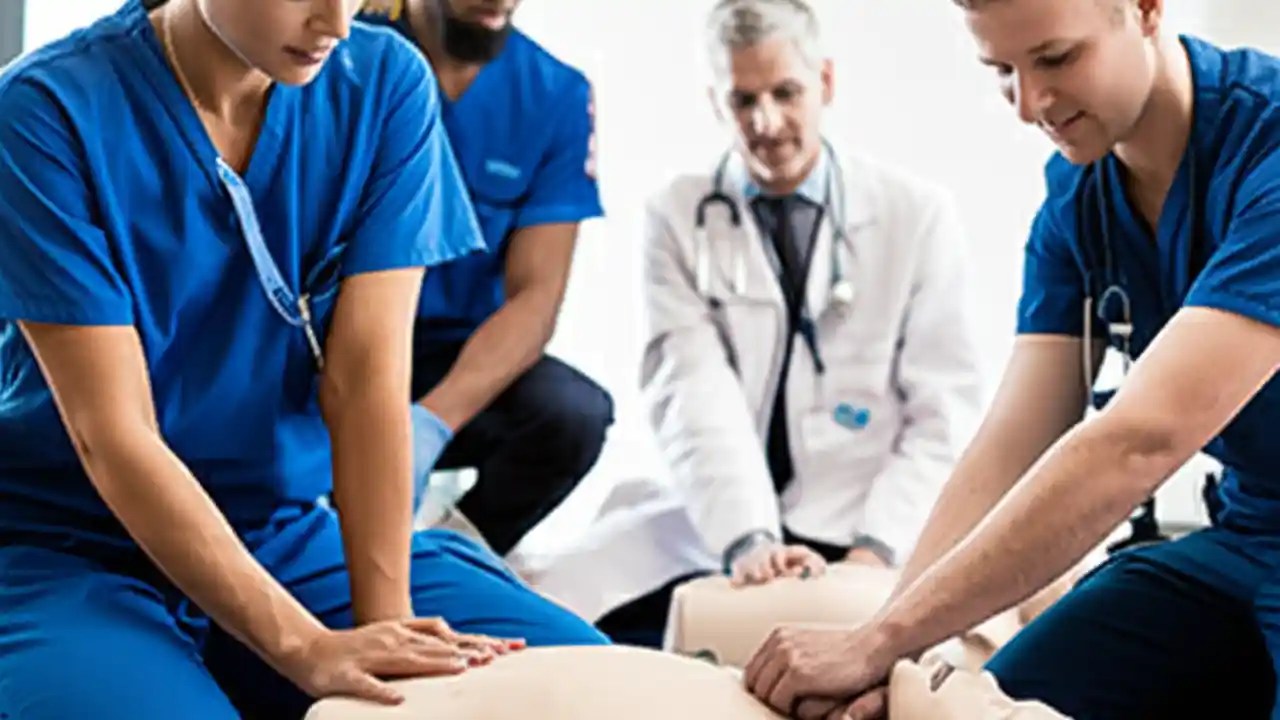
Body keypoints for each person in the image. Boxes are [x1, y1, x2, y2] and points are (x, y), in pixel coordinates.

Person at [0, 1, 607, 719]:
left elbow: (365, 382)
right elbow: (113, 434)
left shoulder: (383, 86)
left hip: (279, 532)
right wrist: (302, 647)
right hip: (70, 546)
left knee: (587, 689)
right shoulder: (45, 110)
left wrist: (389, 638)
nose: (337, 21)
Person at [741, 0, 1280, 718]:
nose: (1030, 106)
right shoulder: (1078, 199)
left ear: (1147, 8)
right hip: (1247, 541)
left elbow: (1139, 439)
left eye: (1056, 59)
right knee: (976, 705)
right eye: (1002, 71)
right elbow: (1014, 441)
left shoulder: (1268, 144)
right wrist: (886, 649)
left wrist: (881, 640)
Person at [594, 0, 984, 648]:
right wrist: (749, 538)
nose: (765, 123)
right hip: (723, 519)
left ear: (826, 81)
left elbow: (944, 407)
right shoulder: (676, 215)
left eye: (785, 92)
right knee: (589, 619)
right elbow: (692, 392)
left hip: (867, 514)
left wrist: (877, 548)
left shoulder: (914, 215)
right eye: (742, 100)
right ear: (716, 102)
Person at [356, 0, 612, 558]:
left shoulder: (555, 94)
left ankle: (449, 560)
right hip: (338, 345)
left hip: (455, 359)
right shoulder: (345, 56)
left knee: (571, 415)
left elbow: (537, 295)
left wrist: (428, 425)